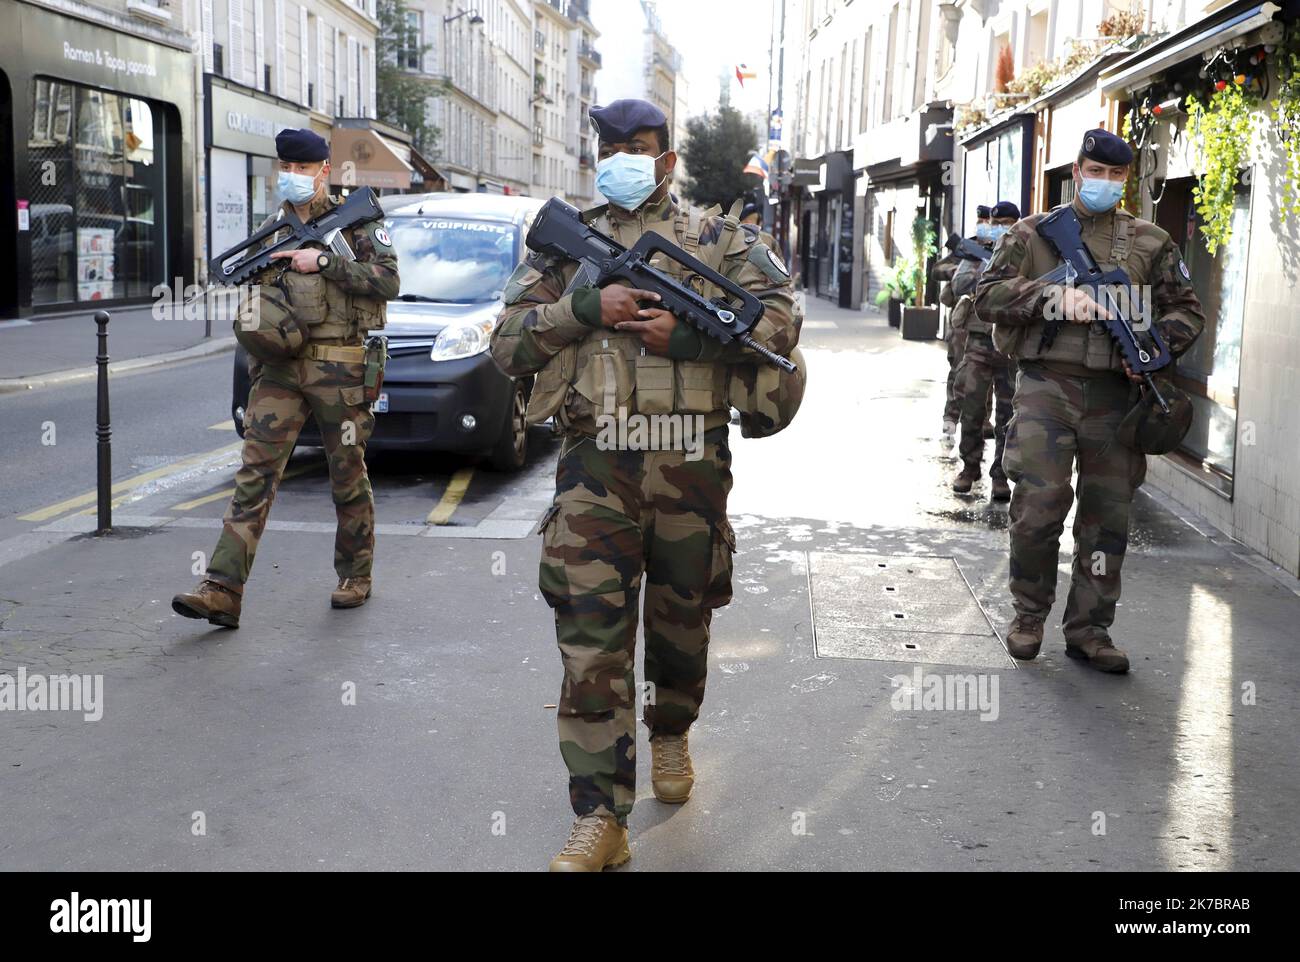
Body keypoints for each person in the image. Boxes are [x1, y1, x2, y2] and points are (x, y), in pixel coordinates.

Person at [489, 99, 799, 870]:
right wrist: (586, 306)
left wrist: (687, 333)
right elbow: (506, 345)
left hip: (689, 462)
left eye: (641, 145)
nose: (626, 156)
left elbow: (780, 327)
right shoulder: (564, 248)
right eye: (613, 145)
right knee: (589, 638)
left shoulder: (721, 240)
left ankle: (671, 730)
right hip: (594, 466)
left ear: (667, 158)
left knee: (680, 623)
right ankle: (602, 816)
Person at [974, 128, 1204, 673]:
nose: (1104, 183)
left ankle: (1090, 630)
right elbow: (986, 296)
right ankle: (1028, 616)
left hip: (1116, 396)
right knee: (1037, 509)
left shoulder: (1151, 241)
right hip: (1046, 389)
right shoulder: (1031, 235)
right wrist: (1052, 296)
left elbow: (1187, 310)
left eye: (1116, 175)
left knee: (1107, 519)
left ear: (1126, 179)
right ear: (1077, 172)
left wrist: (1152, 347)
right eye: (1095, 172)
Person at [172, 128, 399, 628]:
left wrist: (324, 261)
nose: (292, 176)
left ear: (323, 169)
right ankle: (222, 589)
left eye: (302, 168)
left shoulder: (357, 221)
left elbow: (388, 280)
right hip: (279, 369)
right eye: (286, 168)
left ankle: (355, 574)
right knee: (255, 475)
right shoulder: (272, 228)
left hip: (340, 366)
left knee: (346, 474)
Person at [951, 200, 1020, 501]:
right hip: (979, 340)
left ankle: (1000, 475)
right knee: (972, 405)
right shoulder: (978, 249)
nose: (1002, 227)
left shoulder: (1026, 250)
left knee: (1008, 413)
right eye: (998, 221)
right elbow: (958, 283)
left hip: (1011, 343)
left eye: (1008, 222)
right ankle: (969, 467)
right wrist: (986, 273)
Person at [937, 205, 991, 436]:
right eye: (980, 219)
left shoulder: (1004, 247)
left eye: (986, 220)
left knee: (982, 375)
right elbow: (937, 269)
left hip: (986, 322)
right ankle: (951, 416)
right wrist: (961, 269)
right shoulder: (967, 247)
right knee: (958, 369)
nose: (983, 224)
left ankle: (984, 419)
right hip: (962, 319)